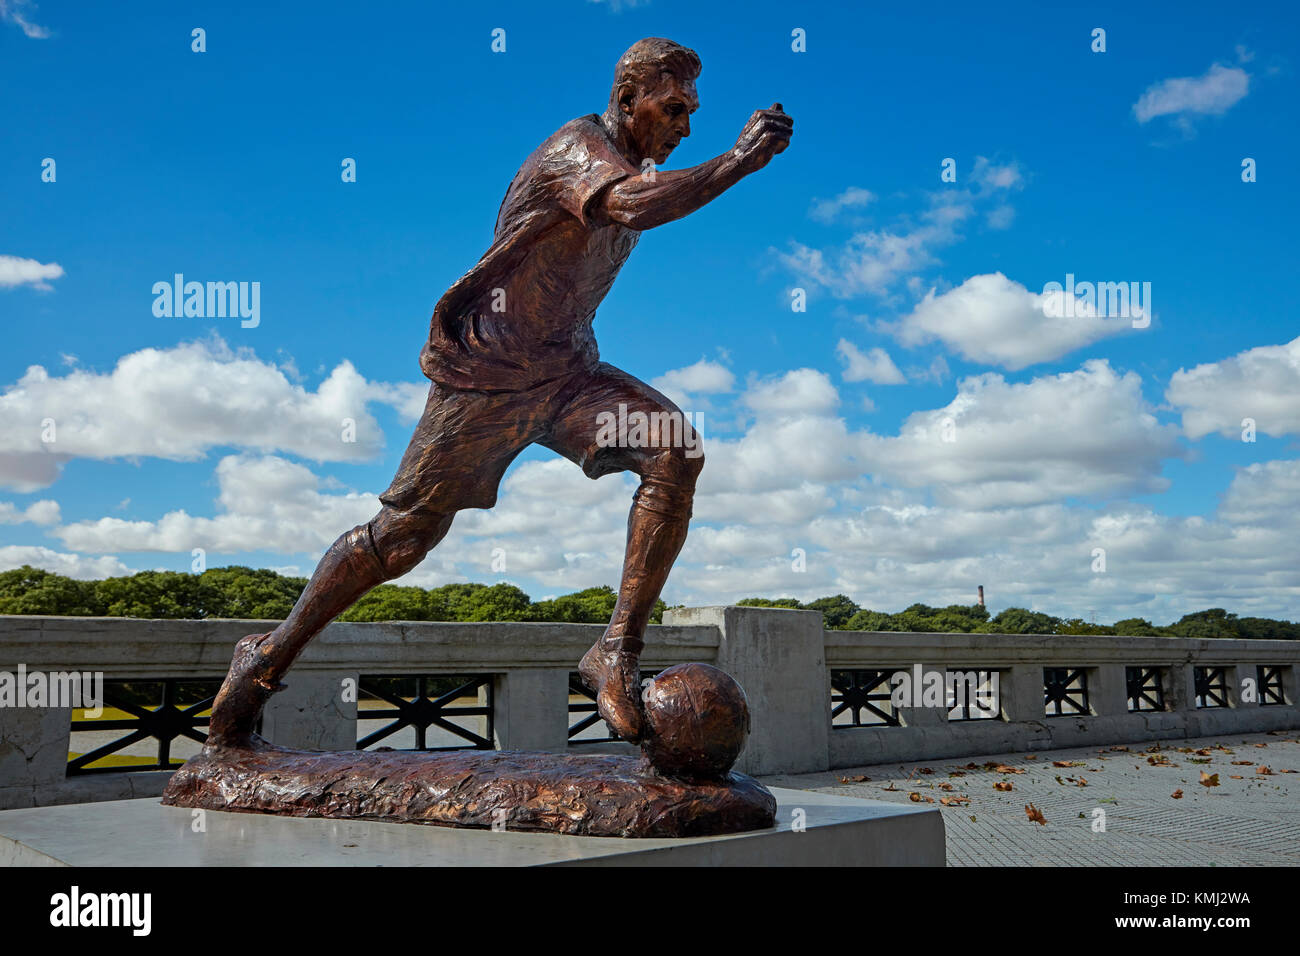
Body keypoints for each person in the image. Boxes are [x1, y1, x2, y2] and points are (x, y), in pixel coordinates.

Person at [207, 37, 793, 747]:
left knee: (675, 451)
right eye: (673, 109)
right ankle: (267, 656)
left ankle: (615, 650)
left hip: (568, 375)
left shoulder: (636, 163)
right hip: (488, 380)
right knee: (401, 541)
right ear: (627, 98)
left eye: (692, 113)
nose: (685, 127)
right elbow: (634, 206)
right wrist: (736, 162)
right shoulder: (578, 151)